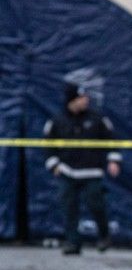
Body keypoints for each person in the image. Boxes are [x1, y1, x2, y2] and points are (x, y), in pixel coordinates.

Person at [44, 79, 121, 254]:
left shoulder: (97, 118)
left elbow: (112, 140)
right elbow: (48, 145)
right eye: (81, 97)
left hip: (91, 171)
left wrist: (114, 161)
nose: (85, 100)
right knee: (68, 207)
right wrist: (54, 165)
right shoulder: (57, 120)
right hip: (67, 171)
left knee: (96, 204)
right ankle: (73, 243)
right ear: (72, 100)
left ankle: (104, 236)